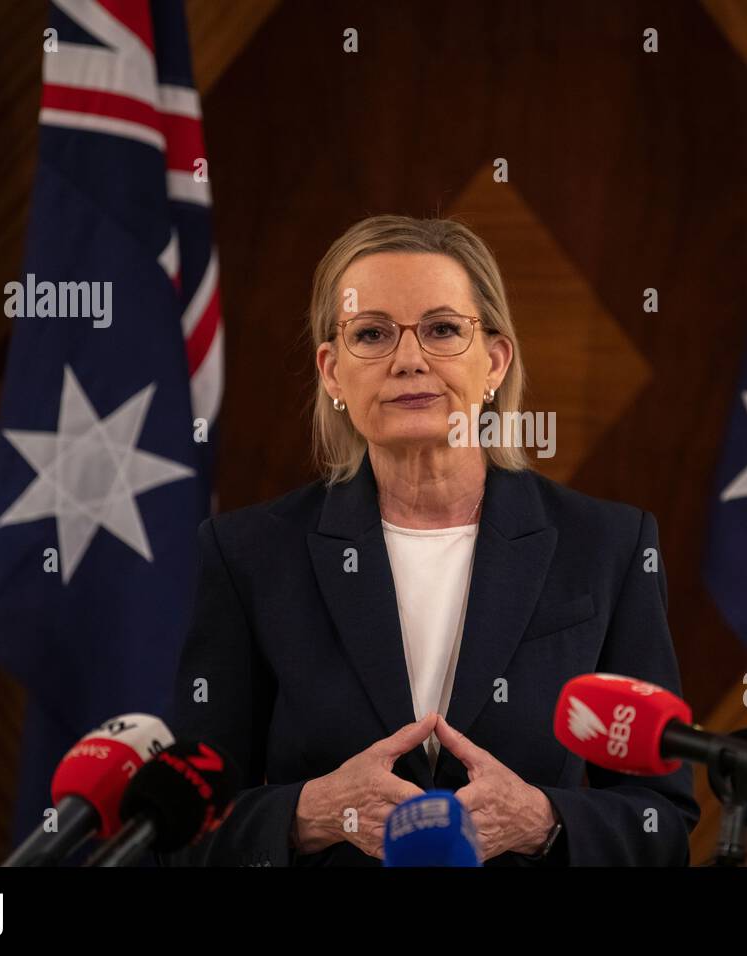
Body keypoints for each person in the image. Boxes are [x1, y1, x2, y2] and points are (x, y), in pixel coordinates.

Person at [165, 214, 698, 865]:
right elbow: (181, 829)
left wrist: (544, 819)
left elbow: (662, 820)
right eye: (372, 334)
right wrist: (310, 814)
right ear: (332, 372)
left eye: (444, 330)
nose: (409, 359)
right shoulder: (247, 554)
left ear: (494, 361)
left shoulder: (608, 546)